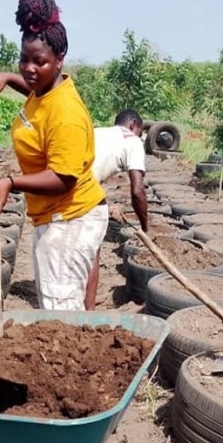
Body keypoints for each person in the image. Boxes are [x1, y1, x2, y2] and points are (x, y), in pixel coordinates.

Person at [0, 0, 107, 311]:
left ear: (60, 59)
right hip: (59, 215)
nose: (30, 69)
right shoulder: (48, 91)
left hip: (69, 218)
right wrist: (8, 78)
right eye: (24, 59)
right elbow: (36, 92)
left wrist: (10, 182)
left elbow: (63, 178)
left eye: (40, 62)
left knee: (61, 315)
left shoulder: (66, 113)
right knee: (67, 311)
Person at [85, 109, 150, 309]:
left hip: (64, 186)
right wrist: (145, 226)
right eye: (140, 132)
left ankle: (76, 299)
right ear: (133, 125)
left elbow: (89, 173)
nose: (139, 136)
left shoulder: (97, 132)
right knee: (93, 249)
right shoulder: (133, 140)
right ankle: (88, 310)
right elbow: (137, 191)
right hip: (81, 193)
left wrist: (105, 203)